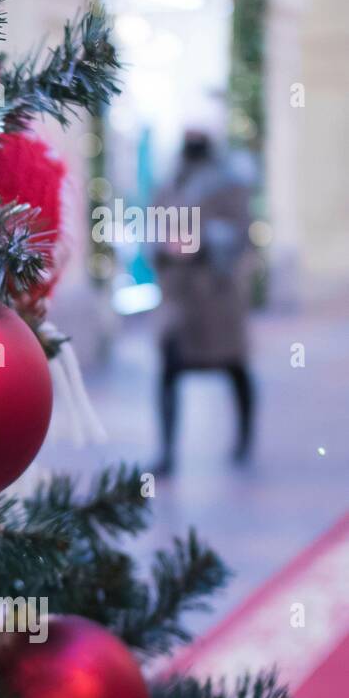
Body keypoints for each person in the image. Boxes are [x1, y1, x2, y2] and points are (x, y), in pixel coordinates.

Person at [151, 131, 255, 474]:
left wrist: (201, 242)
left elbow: (239, 233)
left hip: (216, 299)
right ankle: (167, 452)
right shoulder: (169, 184)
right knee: (168, 372)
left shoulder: (229, 184)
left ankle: (243, 441)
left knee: (235, 369)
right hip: (180, 301)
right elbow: (154, 235)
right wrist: (164, 248)